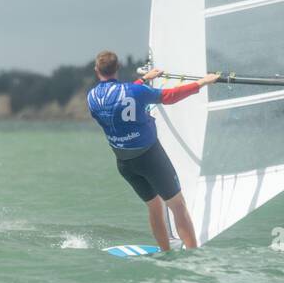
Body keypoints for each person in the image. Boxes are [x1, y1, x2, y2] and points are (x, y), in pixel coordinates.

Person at [87, 50, 219, 251]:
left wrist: (143, 80)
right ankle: (193, 254)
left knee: (154, 206)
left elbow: (121, 97)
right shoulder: (134, 92)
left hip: (125, 164)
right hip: (150, 158)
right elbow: (169, 96)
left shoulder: (92, 97)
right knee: (177, 205)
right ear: (117, 68)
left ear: (97, 70)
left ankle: (165, 251)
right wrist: (202, 82)